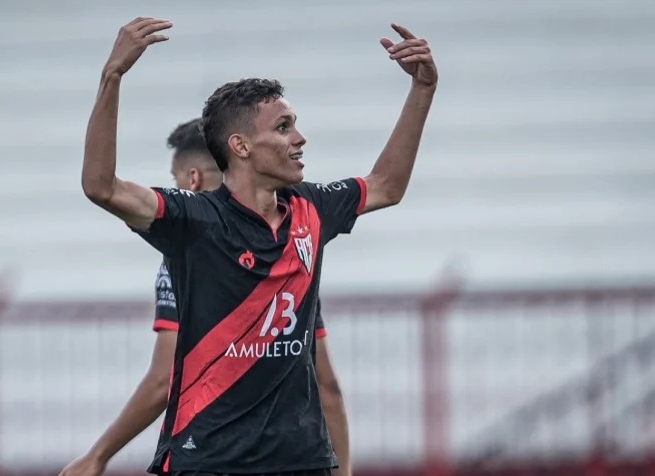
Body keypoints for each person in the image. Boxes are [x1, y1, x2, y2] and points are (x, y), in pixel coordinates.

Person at [81, 16, 437, 476]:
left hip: (301, 461)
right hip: (208, 461)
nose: (300, 137)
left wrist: (422, 90)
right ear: (241, 146)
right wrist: (112, 76)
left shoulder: (312, 208)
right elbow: (101, 187)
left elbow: (387, 185)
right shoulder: (196, 220)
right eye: (284, 126)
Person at [61, 119, 351, 476]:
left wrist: (98, 455)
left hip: (212, 457)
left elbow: (162, 381)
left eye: (176, 177)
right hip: (295, 458)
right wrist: (345, 469)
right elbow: (328, 384)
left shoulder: (185, 255)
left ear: (193, 178)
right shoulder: (292, 252)